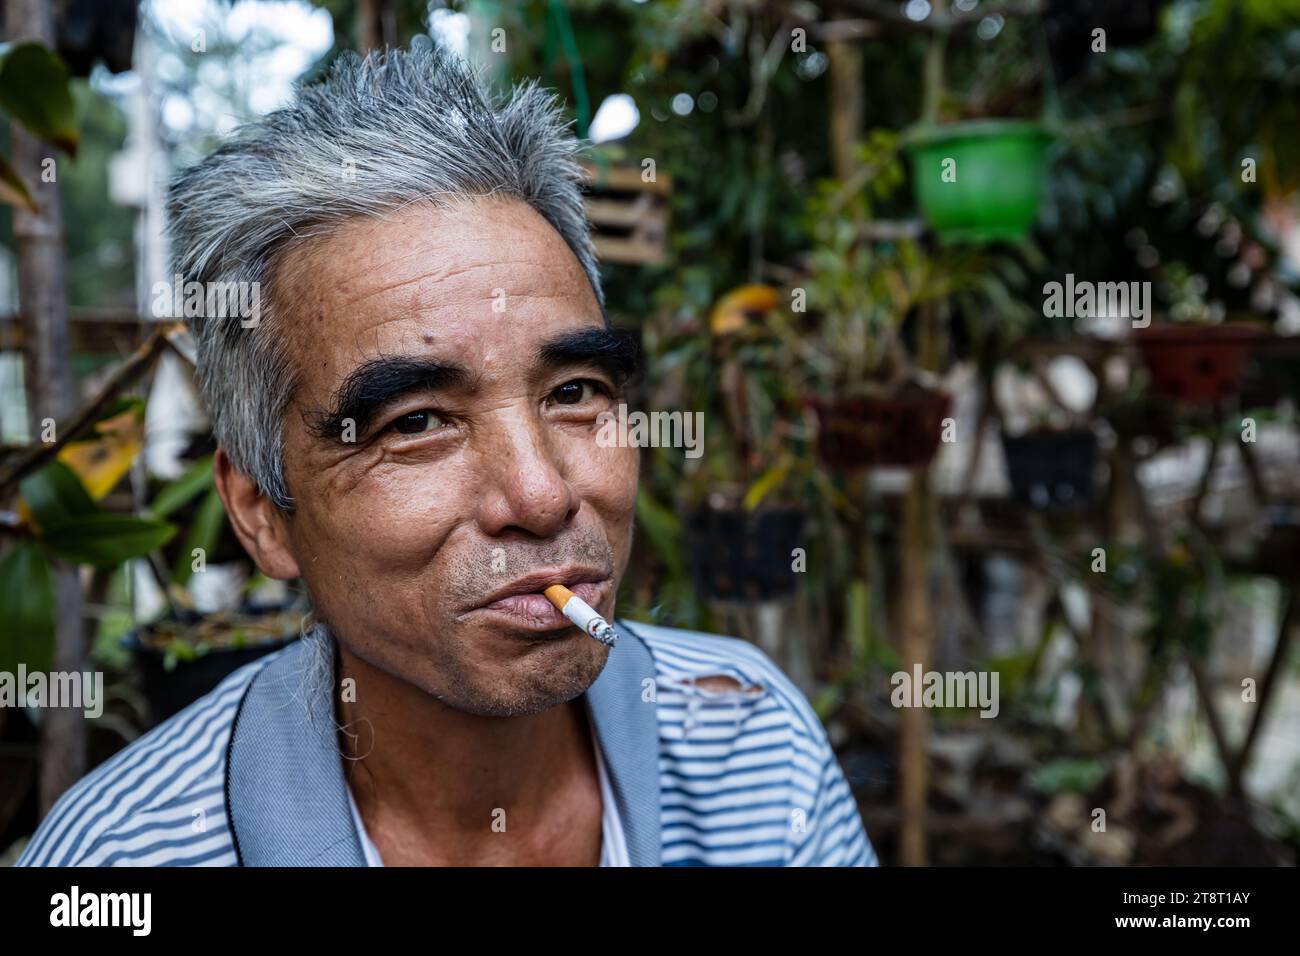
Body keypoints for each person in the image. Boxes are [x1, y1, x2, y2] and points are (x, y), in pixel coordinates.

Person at [18, 40, 875, 867]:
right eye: (417, 422)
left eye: (574, 392)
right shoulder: (124, 856)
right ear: (259, 514)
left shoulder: (752, 747)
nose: (541, 497)